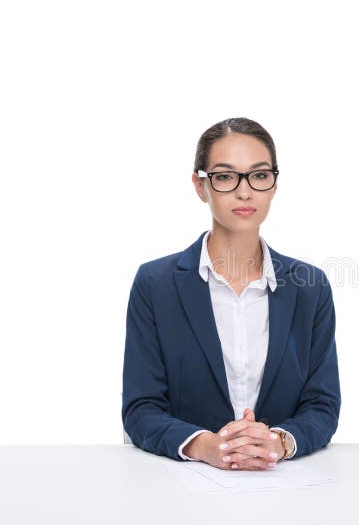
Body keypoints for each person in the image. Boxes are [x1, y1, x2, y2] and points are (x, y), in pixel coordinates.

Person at [121, 118, 341, 471]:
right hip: (182, 488)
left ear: (274, 183)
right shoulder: (155, 283)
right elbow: (141, 408)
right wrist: (206, 446)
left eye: (259, 175)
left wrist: (277, 442)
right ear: (200, 185)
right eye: (225, 177)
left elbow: (322, 405)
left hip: (289, 487)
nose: (244, 191)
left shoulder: (309, 286)